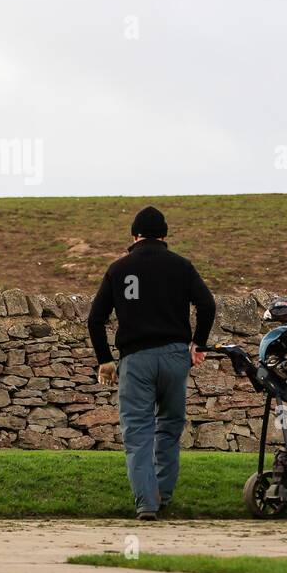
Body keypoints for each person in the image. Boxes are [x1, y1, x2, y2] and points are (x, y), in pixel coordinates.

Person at [87, 206, 216, 520]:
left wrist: (105, 359)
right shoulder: (182, 267)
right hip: (175, 357)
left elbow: (95, 320)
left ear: (134, 235)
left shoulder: (119, 269)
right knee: (169, 427)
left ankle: (147, 503)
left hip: (136, 360)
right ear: (165, 235)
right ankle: (164, 493)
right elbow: (207, 305)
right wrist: (197, 344)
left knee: (138, 433)